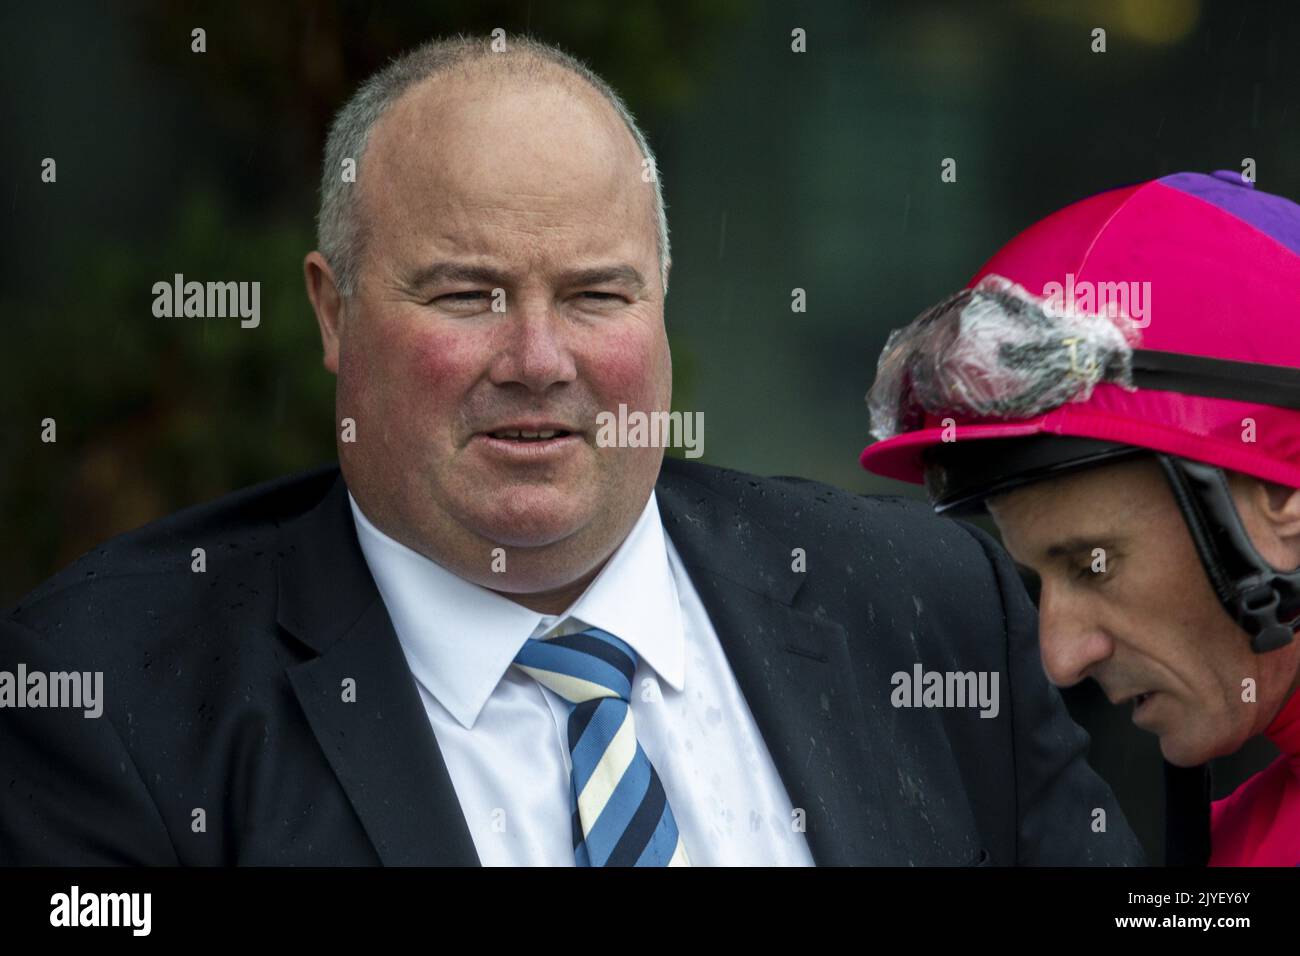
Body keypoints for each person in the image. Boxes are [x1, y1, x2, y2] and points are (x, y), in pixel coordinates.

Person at [0, 35, 1140, 866]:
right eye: (466, 293)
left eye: (597, 293)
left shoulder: (923, 601)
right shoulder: (111, 701)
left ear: (660, 306)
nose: (538, 357)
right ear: (335, 313)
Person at [859, 170, 1300, 866]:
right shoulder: (1237, 839)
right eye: (1040, 580)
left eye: (1093, 564)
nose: (1062, 660)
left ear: (1282, 499)